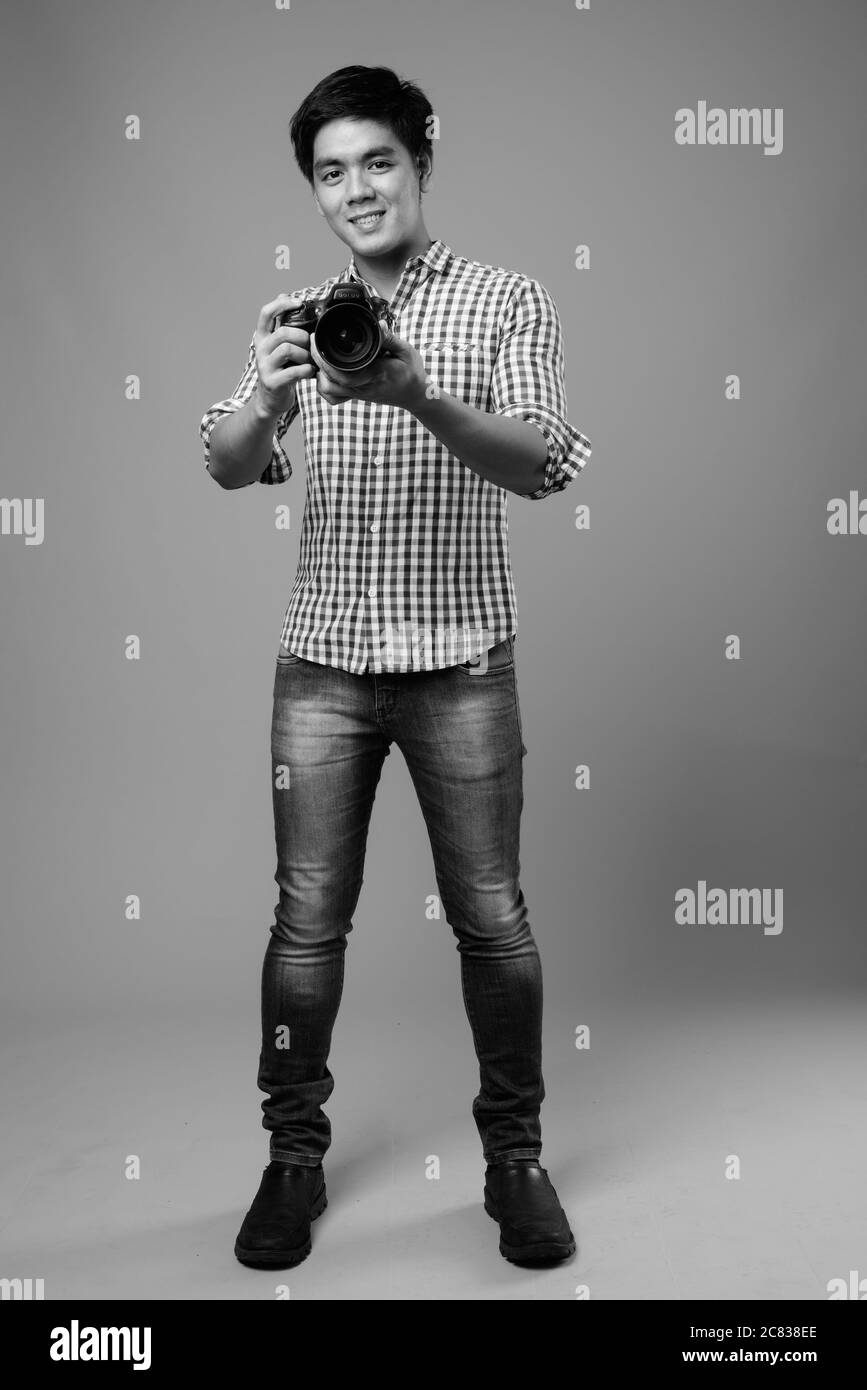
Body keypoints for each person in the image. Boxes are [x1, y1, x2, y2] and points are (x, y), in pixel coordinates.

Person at [199, 64, 591, 1270]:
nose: (356, 190)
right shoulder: (304, 317)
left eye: (376, 161)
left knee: (492, 920)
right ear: (314, 192)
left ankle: (514, 1160)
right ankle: (291, 1160)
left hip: (463, 658)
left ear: (423, 158)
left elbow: (543, 462)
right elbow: (222, 461)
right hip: (322, 663)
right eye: (330, 172)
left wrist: (417, 391)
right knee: (307, 925)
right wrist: (267, 400)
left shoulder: (503, 300)